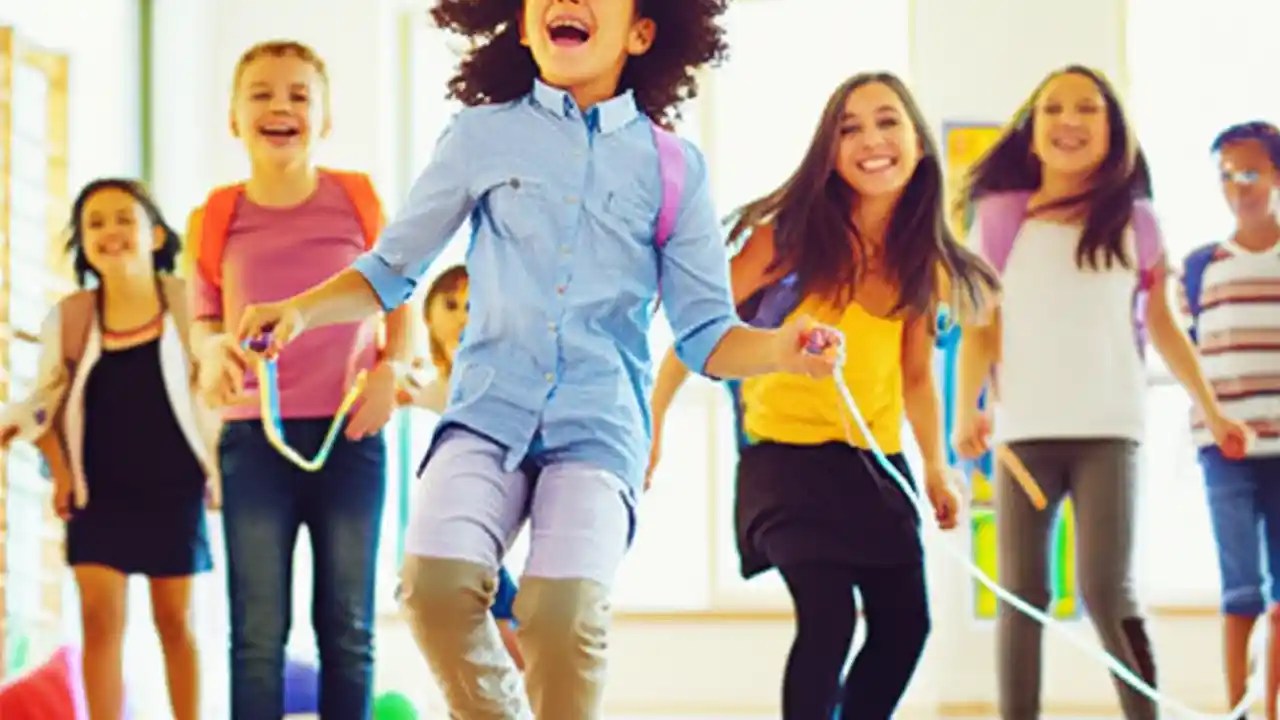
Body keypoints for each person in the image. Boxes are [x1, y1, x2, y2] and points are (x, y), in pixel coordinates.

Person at [233, 1, 842, 717]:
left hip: (599, 430)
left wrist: (781, 349)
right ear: (523, 26)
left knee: (560, 619)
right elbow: (392, 268)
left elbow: (707, 334)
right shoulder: (479, 138)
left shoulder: (676, 169)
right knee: (433, 591)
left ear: (643, 32)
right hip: (486, 416)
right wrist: (300, 310)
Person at [650, 72, 993, 719]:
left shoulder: (920, 260)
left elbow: (916, 377)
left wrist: (936, 466)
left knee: (904, 629)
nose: (872, 139)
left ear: (917, 141)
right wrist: (655, 424)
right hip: (785, 465)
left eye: (888, 121)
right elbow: (698, 331)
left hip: (874, 463)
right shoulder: (786, 239)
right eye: (850, 127)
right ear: (829, 152)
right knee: (828, 616)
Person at [952, 65, 1252, 720]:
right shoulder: (1001, 218)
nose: (1069, 121)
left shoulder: (1137, 222)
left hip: (1110, 430)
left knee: (1108, 591)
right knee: (1021, 594)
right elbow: (980, 330)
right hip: (1022, 434)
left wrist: (1215, 411)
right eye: (1053, 108)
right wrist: (965, 412)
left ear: (1112, 130)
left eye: (1087, 108)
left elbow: (1167, 327)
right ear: (1031, 133)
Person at [187, 39, 413, 719]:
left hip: (352, 432)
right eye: (260, 93)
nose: (280, 106)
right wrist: (211, 353)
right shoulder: (215, 216)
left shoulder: (360, 200)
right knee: (256, 634)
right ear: (233, 118)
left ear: (325, 118)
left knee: (347, 627)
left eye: (298, 94)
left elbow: (398, 301)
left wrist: (390, 371)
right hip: (253, 441)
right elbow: (202, 321)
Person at [0, 178, 214, 720]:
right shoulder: (69, 317)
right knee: (99, 620)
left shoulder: (187, 303)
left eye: (125, 218)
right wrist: (62, 473)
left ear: (156, 235)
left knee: (174, 621)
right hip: (99, 489)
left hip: (175, 484)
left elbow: (218, 386)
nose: (110, 232)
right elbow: (44, 405)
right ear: (82, 244)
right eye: (95, 223)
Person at [1180, 120, 1280, 720]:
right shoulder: (1200, 267)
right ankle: (1237, 709)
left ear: (1275, 176)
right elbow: (1188, 352)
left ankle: (1270, 707)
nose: (1238, 186)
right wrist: (1219, 424)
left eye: (1249, 173)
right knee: (1239, 588)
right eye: (1226, 176)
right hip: (1226, 449)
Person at [398, 263, 525, 670]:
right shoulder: (439, 379)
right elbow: (426, 392)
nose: (461, 317)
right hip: (458, 522)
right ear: (429, 315)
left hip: (493, 513)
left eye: (473, 306)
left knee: (505, 627)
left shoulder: (498, 373)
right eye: (450, 305)